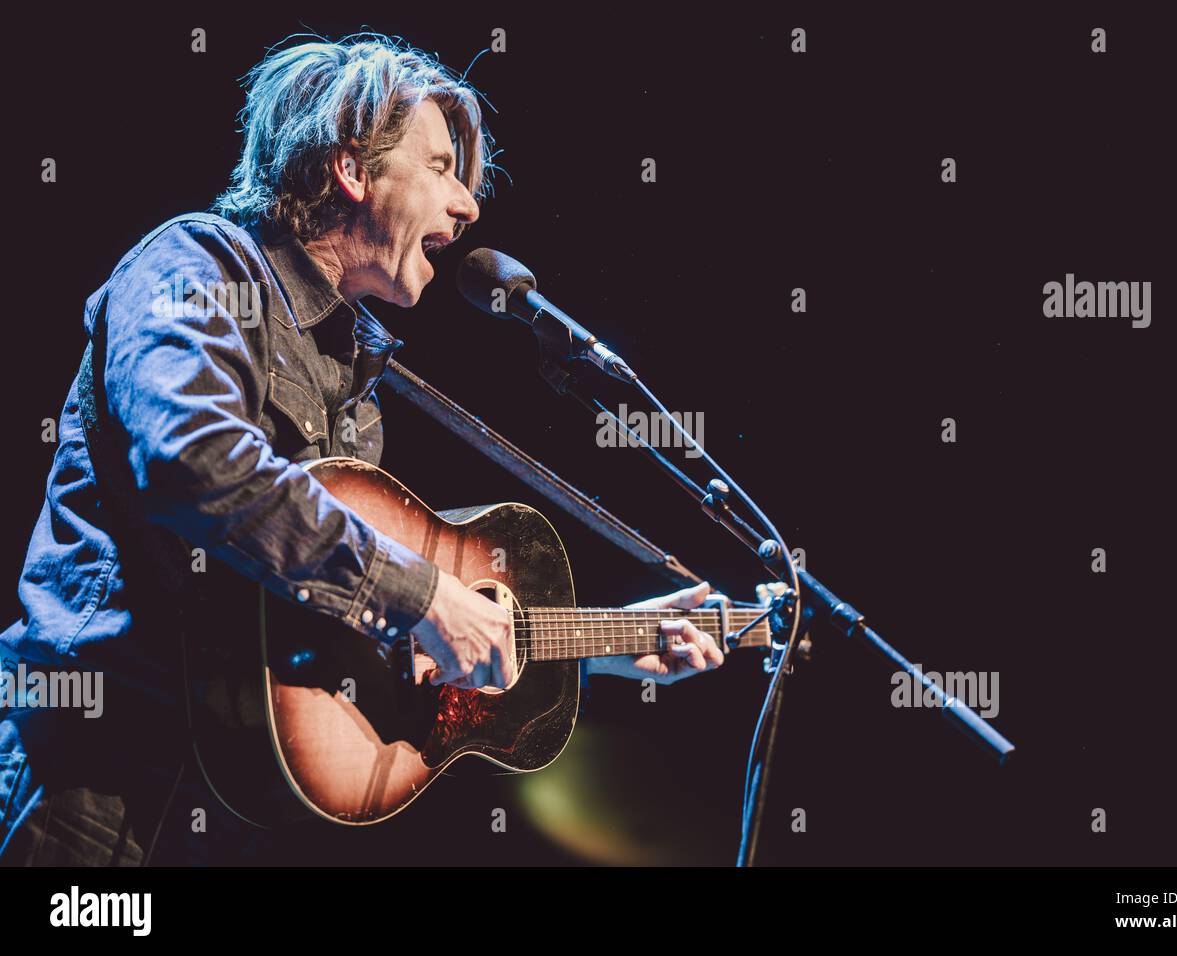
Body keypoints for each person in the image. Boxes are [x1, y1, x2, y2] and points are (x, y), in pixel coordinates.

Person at [0, 33, 723, 866]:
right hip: (94, 770)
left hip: (236, 797)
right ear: (353, 169)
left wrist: (600, 646)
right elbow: (192, 461)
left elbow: (357, 632)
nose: (469, 207)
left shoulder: (356, 373)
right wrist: (424, 596)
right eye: (443, 167)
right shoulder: (196, 265)